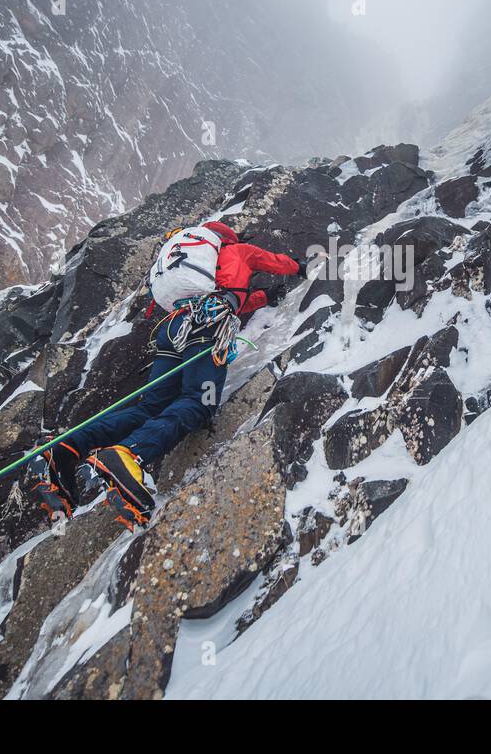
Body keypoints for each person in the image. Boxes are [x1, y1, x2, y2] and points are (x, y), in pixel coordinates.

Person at [32, 221, 305, 528]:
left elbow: (234, 297)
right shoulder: (237, 251)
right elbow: (275, 263)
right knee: (200, 402)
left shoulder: (191, 265)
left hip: (174, 329)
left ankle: (66, 450)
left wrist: (266, 298)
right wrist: (302, 268)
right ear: (225, 241)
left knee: (149, 406)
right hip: (206, 329)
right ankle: (128, 454)